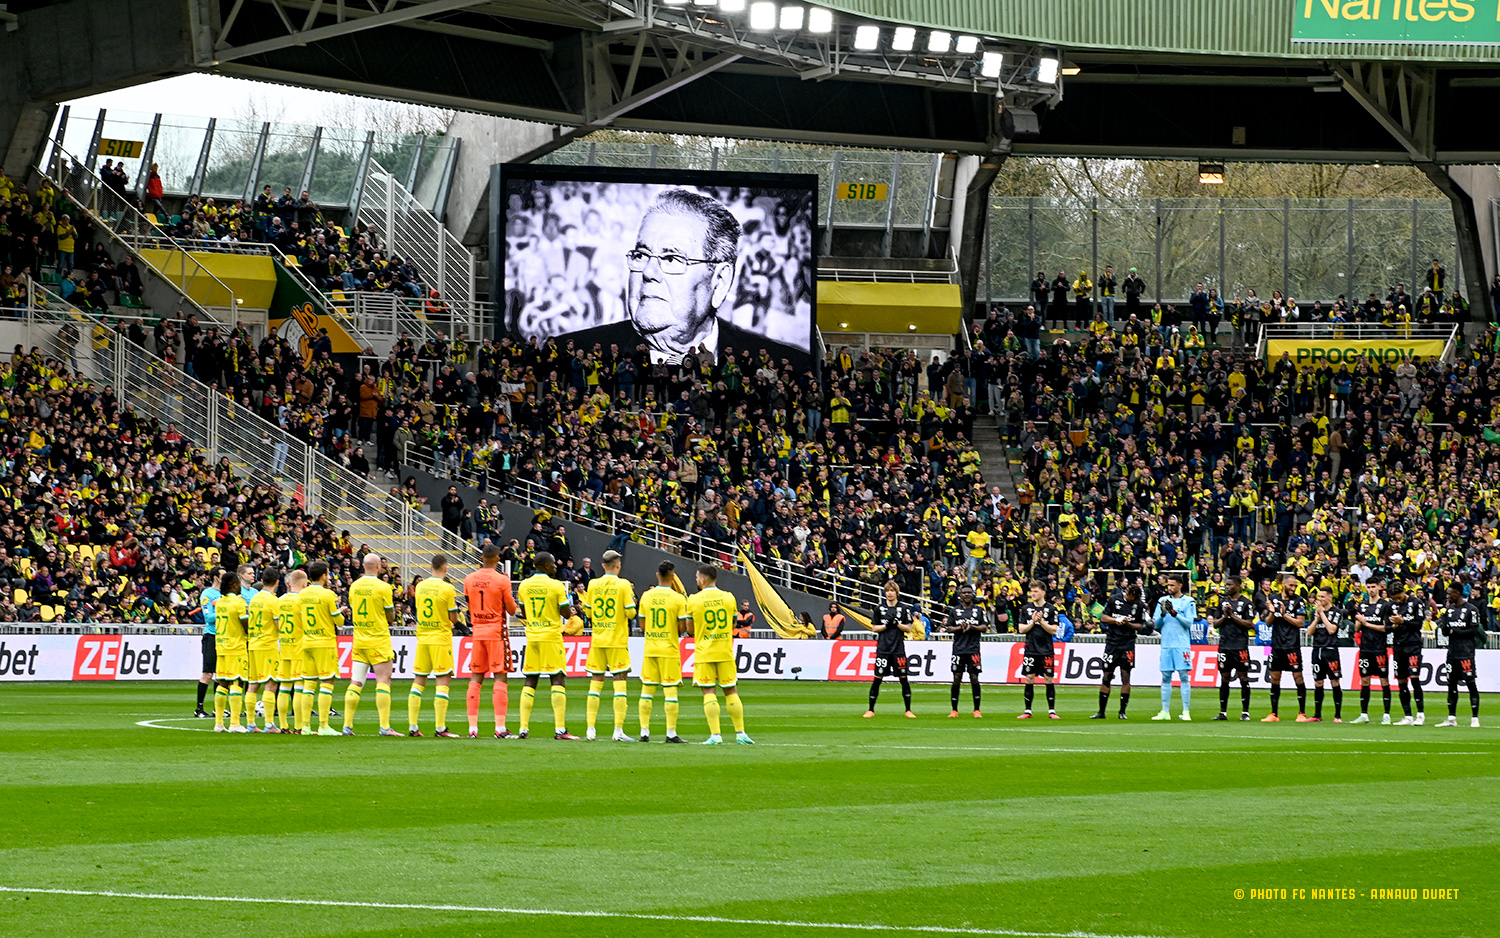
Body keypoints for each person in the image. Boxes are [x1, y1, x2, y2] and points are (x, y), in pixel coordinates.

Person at [563, 189, 803, 363]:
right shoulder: (572, 353)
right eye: (641, 255)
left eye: (671, 259)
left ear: (719, 282)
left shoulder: (789, 365)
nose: (647, 272)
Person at [515, 550, 579, 740]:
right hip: (551, 637)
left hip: (533, 637)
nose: (555, 566)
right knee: (557, 679)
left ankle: (523, 729)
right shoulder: (556, 585)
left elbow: (525, 613)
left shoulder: (524, 585)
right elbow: (567, 614)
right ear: (544, 565)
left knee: (530, 680)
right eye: (552, 563)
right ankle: (560, 730)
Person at [687, 563, 752, 744]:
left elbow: (689, 629)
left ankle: (715, 735)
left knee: (709, 692)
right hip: (725, 650)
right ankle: (741, 733)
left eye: (697, 577)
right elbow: (732, 624)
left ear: (703, 579)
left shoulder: (694, 599)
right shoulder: (729, 598)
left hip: (704, 652)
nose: (697, 580)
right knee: (731, 691)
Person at [463, 543, 519, 739]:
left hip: (477, 632)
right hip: (496, 632)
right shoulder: (502, 580)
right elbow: (511, 610)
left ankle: (472, 728)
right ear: (497, 559)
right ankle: (500, 728)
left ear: (481, 558)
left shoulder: (469, 579)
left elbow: (469, 603)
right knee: (500, 677)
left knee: (475, 677)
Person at [583, 549, 636, 741]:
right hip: (617, 640)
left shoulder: (593, 584)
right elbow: (631, 614)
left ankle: (590, 729)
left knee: (595, 683)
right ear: (618, 565)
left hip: (598, 640)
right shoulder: (623, 585)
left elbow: (588, 613)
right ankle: (618, 731)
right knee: (620, 681)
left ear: (603, 566)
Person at [637, 560, 691, 743]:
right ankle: (670, 733)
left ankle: (644, 732)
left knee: (647, 691)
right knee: (670, 692)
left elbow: (642, 625)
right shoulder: (678, 599)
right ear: (673, 577)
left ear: (657, 575)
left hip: (650, 648)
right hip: (669, 649)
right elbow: (683, 627)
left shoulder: (646, 596)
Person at [345, 553, 398, 736]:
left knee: (356, 682)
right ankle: (384, 727)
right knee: (383, 681)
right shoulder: (383, 587)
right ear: (377, 566)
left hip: (359, 639)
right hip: (378, 639)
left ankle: (347, 725)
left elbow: (353, 607)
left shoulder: (354, 586)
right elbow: (391, 616)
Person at [410, 554, 461, 738]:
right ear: (446, 570)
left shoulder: (420, 586)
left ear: (430, 568)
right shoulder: (448, 588)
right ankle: (440, 728)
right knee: (443, 681)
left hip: (422, 638)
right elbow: (453, 618)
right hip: (440, 638)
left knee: (418, 681)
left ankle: (413, 727)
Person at [298, 560, 346, 736]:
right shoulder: (328, 595)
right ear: (324, 575)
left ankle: (305, 726)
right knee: (327, 683)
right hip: (324, 643)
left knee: (308, 685)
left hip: (307, 642)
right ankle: (324, 725)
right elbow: (339, 622)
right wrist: (341, 610)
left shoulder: (302, 594)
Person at [863, 579, 916, 719]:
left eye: (892, 591)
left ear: (897, 593)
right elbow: (874, 628)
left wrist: (897, 624)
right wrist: (886, 625)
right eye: (887, 591)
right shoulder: (879, 608)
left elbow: (908, 628)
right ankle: (870, 710)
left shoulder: (904, 608)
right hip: (883, 648)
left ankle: (908, 710)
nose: (890, 593)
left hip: (898, 649)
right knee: (877, 679)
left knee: (903, 679)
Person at [1094, 582, 1146, 720]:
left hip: (1128, 644)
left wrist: (1128, 624)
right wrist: (1116, 620)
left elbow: (1140, 625)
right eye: (1131, 597)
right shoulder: (1113, 599)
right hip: (1112, 643)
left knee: (1125, 677)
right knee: (1106, 676)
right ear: (1127, 592)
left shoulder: (1140, 606)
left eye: (1135, 599)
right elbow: (1103, 617)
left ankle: (1122, 712)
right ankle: (1101, 712)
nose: (1132, 600)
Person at [1262, 575, 1310, 722]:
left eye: (1295, 586)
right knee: (1275, 679)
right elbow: (1268, 623)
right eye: (1291, 585)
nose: (1293, 588)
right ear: (1283, 584)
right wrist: (1271, 612)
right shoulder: (1274, 598)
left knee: (1298, 677)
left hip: (1292, 645)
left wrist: (1284, 615)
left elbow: (1300, 623)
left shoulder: (1299, 601)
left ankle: (1302, 713)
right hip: (1276, 645)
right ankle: (1274, 714)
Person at [1435, 583, 1482, 728]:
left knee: (1470, 683)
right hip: (1452, 653)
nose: (1448, 596)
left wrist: (1455, 632)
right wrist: (1443, 628)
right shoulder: (1448, 610)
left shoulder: (1471, 610)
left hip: (1466, 653)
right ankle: (1451, 718)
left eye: (1450, 594)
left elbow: (1473, 631)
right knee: (1451, 684)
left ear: (1458, 593)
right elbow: (1445, 632)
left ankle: (1474, 718)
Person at [1151, 573, 1196, 721]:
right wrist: (1163, 614)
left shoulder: (1188, 601)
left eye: (1172, 585)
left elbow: (1189, 623)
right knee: (1165, 676)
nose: (1169, 588)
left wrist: (1174, 613)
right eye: (1168, 585)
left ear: (1180, 585)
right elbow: (1156, 625)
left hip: (1181, 644)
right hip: (1166, 644)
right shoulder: (1162, 601)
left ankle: (1186, 711)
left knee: (1183, 676)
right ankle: (1165, 711)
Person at [1211, 576, 1256, 721]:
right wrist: (1225, 616)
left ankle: (1245, 712)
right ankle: (1223, 712)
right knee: (1224, 678)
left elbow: (1249, 624)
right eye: (1226, 585)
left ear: (1238, 585)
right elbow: (1216, 624)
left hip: (1240, 646)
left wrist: (1232, 616)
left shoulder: (1246, 603)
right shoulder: (1223, 602)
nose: (1227, 587)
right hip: (1224, 646)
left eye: (1230, 584)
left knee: (1243, 678)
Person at [244, 567, 282, 733]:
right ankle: (268, 724)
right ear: (277, 582)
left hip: (253, 645)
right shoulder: (273, 601)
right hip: (268, 645)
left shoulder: (254, 599)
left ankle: (251, 724)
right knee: (271, 683)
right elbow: (279, 625)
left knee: (253, 684)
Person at [211, 572, 250, 733]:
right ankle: (235, 723)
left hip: (221, 646)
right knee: (238, 682)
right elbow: (245, 625)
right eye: (239, 583)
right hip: (236, 647)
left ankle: (219, 723)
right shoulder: (238, 603)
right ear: (234, 585)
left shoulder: (220, 602)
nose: (241, 586)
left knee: (223, 683)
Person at [1386, 579, 1427, 726]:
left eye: (1399, 597)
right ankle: (1407, 715)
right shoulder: (1391, 606)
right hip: (1398, 646)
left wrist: (1402, 622)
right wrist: (1393, 624)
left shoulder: (1416, 603)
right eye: (1395, 598)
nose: (1398, 600)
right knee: (1402, 681)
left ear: (1404, 591)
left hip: (1413, 645)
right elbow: (1387, 626)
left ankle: (1420, 714)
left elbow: (1418, 624)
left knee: (1414, 678)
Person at [1017, 580, 1060, 719]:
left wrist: (1041, 621)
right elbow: (1021, 629)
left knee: (1048, 679)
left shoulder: (1052, 609)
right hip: (1030, 649)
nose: (1033, 594)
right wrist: (1033, 621)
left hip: (1046, 650)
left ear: (1043, 593)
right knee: (1029, 678)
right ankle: (1027, 711)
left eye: (1036, 591)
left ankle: (1052, 711)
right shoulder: (1026, 609)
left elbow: (1054, 630)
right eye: (1032, 591)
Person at [1350, 580, 1391, 724]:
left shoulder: (1385, 605)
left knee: (1384, 680)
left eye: (1373, 587)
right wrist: (1359, 619)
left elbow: (1386, 628)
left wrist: (1366, 623)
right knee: (1365, 680)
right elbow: (1356, 627)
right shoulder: (1363, 604)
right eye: (1368, 587)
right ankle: (1364, 714)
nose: (1371, 589)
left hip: (1379, 648)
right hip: (1365, 648)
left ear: (1379, 588)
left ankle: (1386, 715)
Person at [945, 585, 987, 718]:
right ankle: (954, 710)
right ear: (961, 595)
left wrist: (972, 626)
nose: (967, 595)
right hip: (958, 649)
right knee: (957, 678)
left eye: (969, 592)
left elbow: (984, 627)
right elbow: (948, 628)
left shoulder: (979, 610)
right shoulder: (955, 611)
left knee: (974, 678)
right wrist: (960, 627)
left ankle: (976, 710)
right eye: (965, 593)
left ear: (973, 594)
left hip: (973, 649)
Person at [1306, 586, 1345, 723]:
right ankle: (1317, 714)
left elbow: (1332, 630)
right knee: (1318, 682)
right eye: (1319, 597)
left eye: (1322, 597)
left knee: (1334, 681)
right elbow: (1309, 632)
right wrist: (1317, 618)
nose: (1320, 600)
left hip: (1331, 650)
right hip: (1317, 650)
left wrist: (1322, 614)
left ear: (1330, 597)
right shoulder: (1315, 612)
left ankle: (1338, 715)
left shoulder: (1337, 612)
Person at [275, 569, 306, 733]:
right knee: (299, 687)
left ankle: (283, 725)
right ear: (304, 584)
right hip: (299, 648)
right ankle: (299, 726)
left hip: (283, 647)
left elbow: (277, 624)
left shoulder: (279, 600)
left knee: (284, 688)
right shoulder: (302, 600)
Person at [194, 573, 221, 718]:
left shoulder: (226, 594)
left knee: (221, 675)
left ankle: (218, 709)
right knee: (208, 673)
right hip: (211, 636)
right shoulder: (207, 594)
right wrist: (224, 611)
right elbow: (208, 618)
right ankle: (199, 708)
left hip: (224, 637)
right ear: (216, 577)